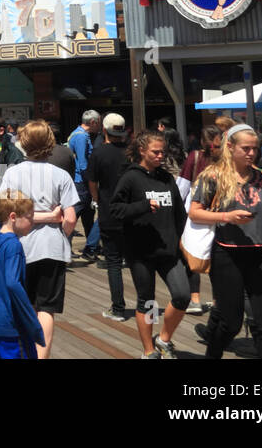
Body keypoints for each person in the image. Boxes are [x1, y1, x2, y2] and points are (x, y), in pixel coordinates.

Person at [190, 125, 262, 360]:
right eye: (245, 148)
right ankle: (214, 353)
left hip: (258, 254)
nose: (251, 153)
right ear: (230, 147)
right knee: (230, 322)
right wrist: (226, 217)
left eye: (255, 148)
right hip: (227, 254)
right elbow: (194, 213)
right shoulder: (212, 176)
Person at [0, 120, 78, 359]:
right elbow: (70, 218)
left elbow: (5, 211)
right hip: (52, 248)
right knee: (47, 309)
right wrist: (55, 220)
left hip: (19, 247)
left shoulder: (12, 172)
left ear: (23, 143)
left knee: (22, 306)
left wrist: (35, 217)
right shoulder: (61, 175)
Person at [110, 131, 190, 358]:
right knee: (148, 301)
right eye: (156, 151)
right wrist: (143, 206)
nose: (160, 155)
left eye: (163, 151)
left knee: (182, 295)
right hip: (140, 251)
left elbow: (179, 215)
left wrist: (182, 241)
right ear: (142, 150)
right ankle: (148, 350)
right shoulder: (130, 177)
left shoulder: (166, 178)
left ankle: (163, 338)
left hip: (169, 249)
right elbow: (115, 210)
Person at [0, 189, 45, 359]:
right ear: (13, 217)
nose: (33, 221)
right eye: (30, 217)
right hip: (9, 324)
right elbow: (13, 283)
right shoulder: (13, 246)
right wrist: (31, 321)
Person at [89, 113, 133, 322]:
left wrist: (97, 199)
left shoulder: (98, 153)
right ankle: (146, 304)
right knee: (138, 260)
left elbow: (92, 181)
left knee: (113, 262)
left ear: (104, 130)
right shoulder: (133, 152)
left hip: (109, 211)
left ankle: (118, 307)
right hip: (133, 212)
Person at [180, 121, 226, 315]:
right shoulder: (225, 160)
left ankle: (195, 299)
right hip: (221, 213)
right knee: (217, 257)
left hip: (196, 211)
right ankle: (217, 300)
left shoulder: (195, 157)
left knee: (191, 253)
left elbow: (182, 186)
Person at [68, 110, 102, 261]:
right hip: (81, 181)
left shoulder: (76, 133)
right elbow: (82, 163)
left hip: (79, 180)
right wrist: (91, 181)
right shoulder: (82, 136)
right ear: (93, 122)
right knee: (77, 213)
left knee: (87, 214)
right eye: (99, 123)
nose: (100, 126)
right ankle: (69, 246)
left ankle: (92, 245)